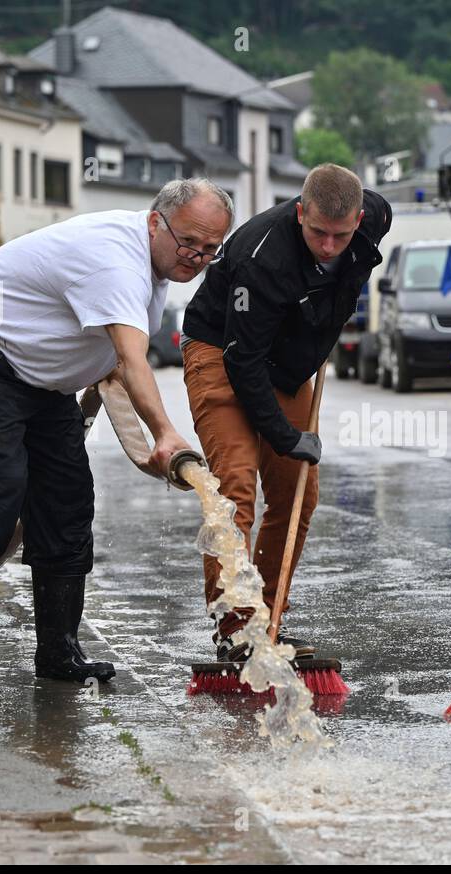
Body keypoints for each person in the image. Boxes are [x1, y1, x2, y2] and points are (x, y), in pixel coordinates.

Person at [0, 179, 231, 688]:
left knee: (67, 503)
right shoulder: (114, 258)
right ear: (154, 221)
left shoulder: (156, 263)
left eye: (211, 248)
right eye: (189, 242)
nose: (198, 257)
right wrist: (165, 433)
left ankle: (59, 651)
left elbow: (113, 366)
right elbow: (129, 357)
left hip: (41, 378)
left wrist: (146, 439)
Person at [181, 164, 392, 661]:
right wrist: (283, 434)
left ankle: (268, 620)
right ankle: (236, 630)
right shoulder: (263, 256)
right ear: (300, 212)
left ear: (360, 219)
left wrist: (290, 441)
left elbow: (371, 213)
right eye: (317, 231)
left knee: (297, 492)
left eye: (341, 235)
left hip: (291, 364)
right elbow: (243, 360)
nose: (328, 245)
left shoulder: (372, 217)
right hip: (223, 352)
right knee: (234, 488)